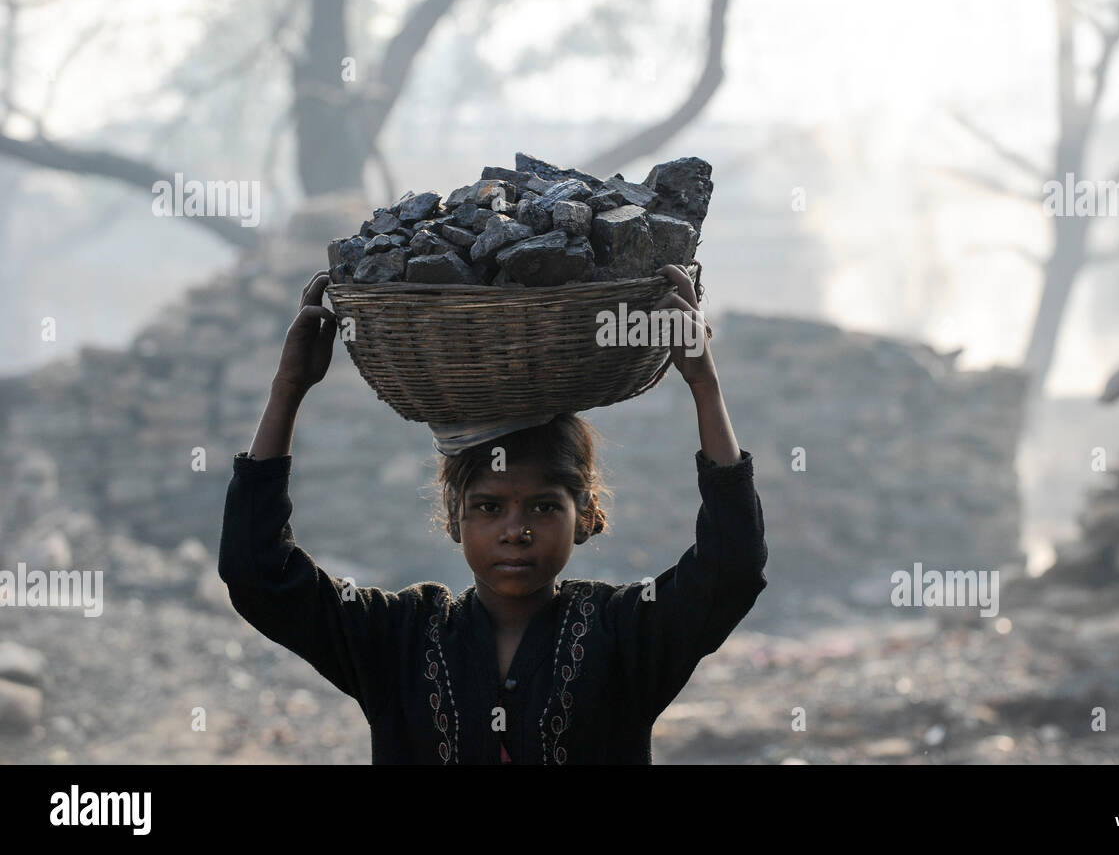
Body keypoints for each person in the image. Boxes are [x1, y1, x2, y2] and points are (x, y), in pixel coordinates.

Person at [218, 263, 767, 764]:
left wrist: (704, 384)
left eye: (545, 506)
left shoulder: (626, 634)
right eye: (488, 507)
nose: (516, 531)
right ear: (455, 517)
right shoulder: (396, 639)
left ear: (587, 514)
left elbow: (733, 566)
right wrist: (288, 390)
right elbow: (257, 572)